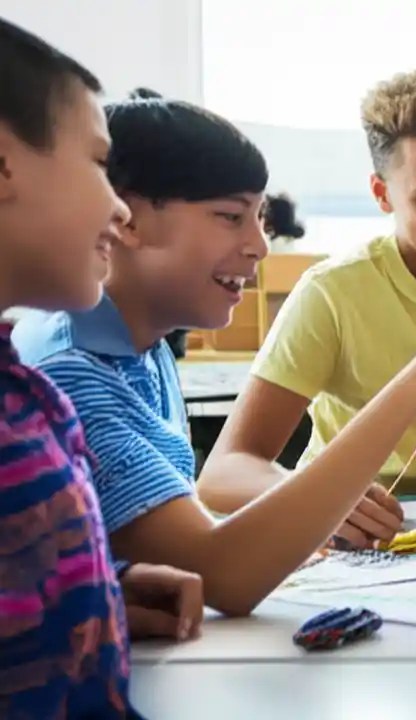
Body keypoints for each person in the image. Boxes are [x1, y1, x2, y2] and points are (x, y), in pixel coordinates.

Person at [12, 90, 416, 617]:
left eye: (259, 217)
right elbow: (223, 574)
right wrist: (414, 386)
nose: (260, 244)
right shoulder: (70, 374)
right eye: (230, 217)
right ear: (126, 219)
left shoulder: (142, 349)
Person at [198, 68, 416, 539]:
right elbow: (222, 474)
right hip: (350, 540)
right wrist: (314, 497)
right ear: (382, 194)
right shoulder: (332, 291)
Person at [0, 19, 202, 716]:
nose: (117, 206)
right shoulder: (55, 377)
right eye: (96, 163)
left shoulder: (29, 399)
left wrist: (101, 582)